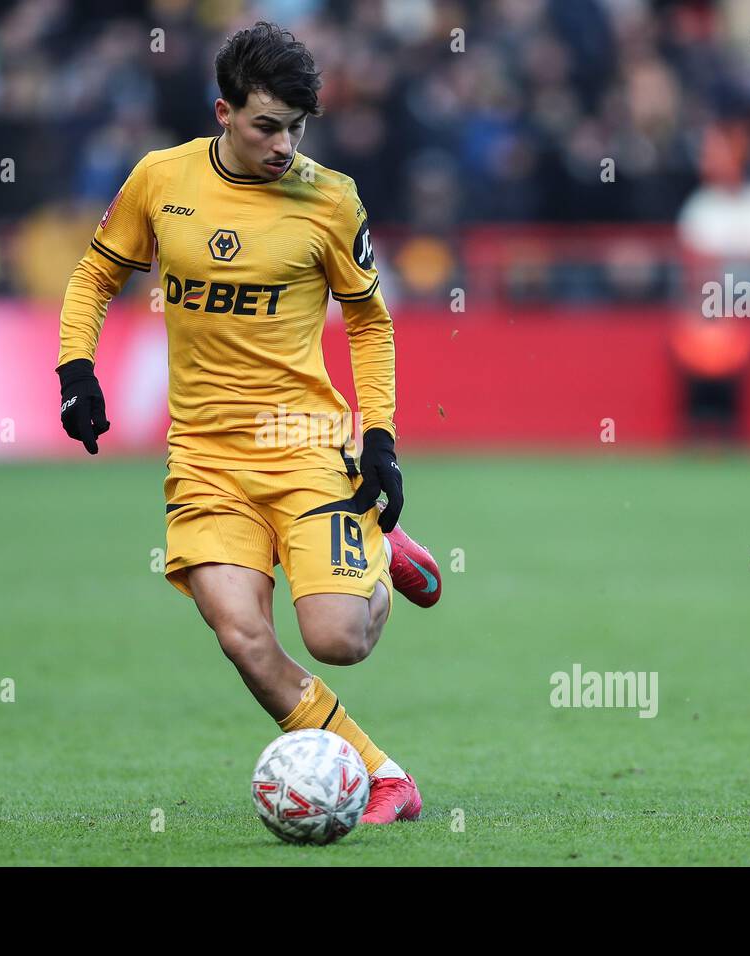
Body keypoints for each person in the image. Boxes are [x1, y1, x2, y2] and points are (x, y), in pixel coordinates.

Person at [55, 21, 440, 824]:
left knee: (338, 638)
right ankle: (383, 776)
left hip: (304, 446)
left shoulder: (329, 199)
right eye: (267, 125)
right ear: (223, 110)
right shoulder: (162, 180)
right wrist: (75, 368)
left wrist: (381, 441)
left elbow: (370, 320)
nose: (283, 146)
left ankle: (378, 553)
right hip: (203, 458)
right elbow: (97, 272)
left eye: (297, 128)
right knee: (241, 637)